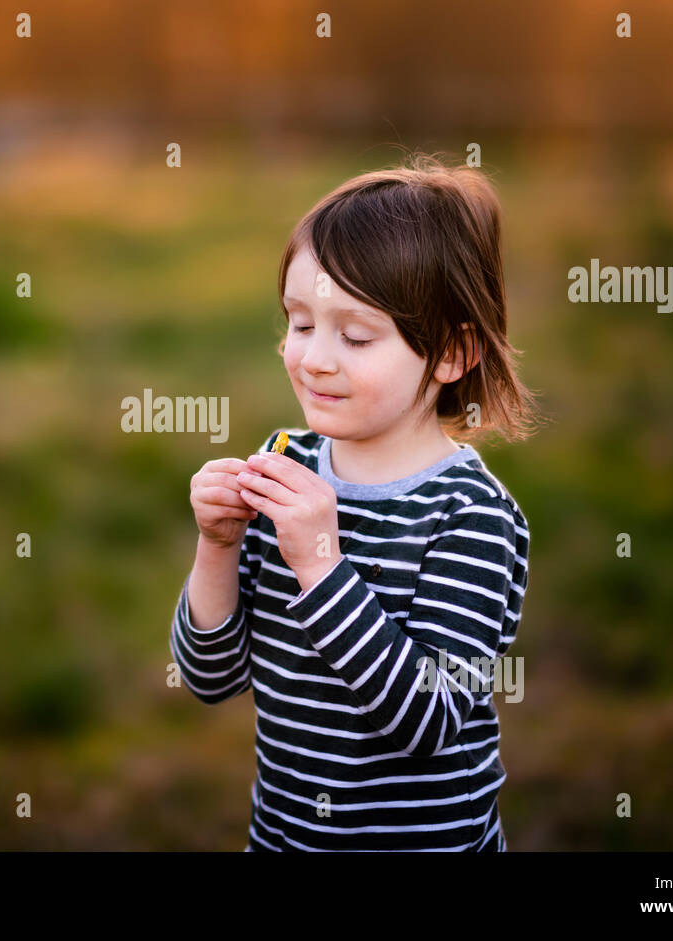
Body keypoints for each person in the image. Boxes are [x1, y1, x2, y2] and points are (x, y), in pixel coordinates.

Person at [170, 153, 545, 850]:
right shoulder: (287, 466)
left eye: (357, 335)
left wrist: (320, 565)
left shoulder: (470, 517)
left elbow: (427, 723)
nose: (313, 358)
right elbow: (210, 676)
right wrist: (217, 547)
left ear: (452, 355)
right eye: (300, 322)